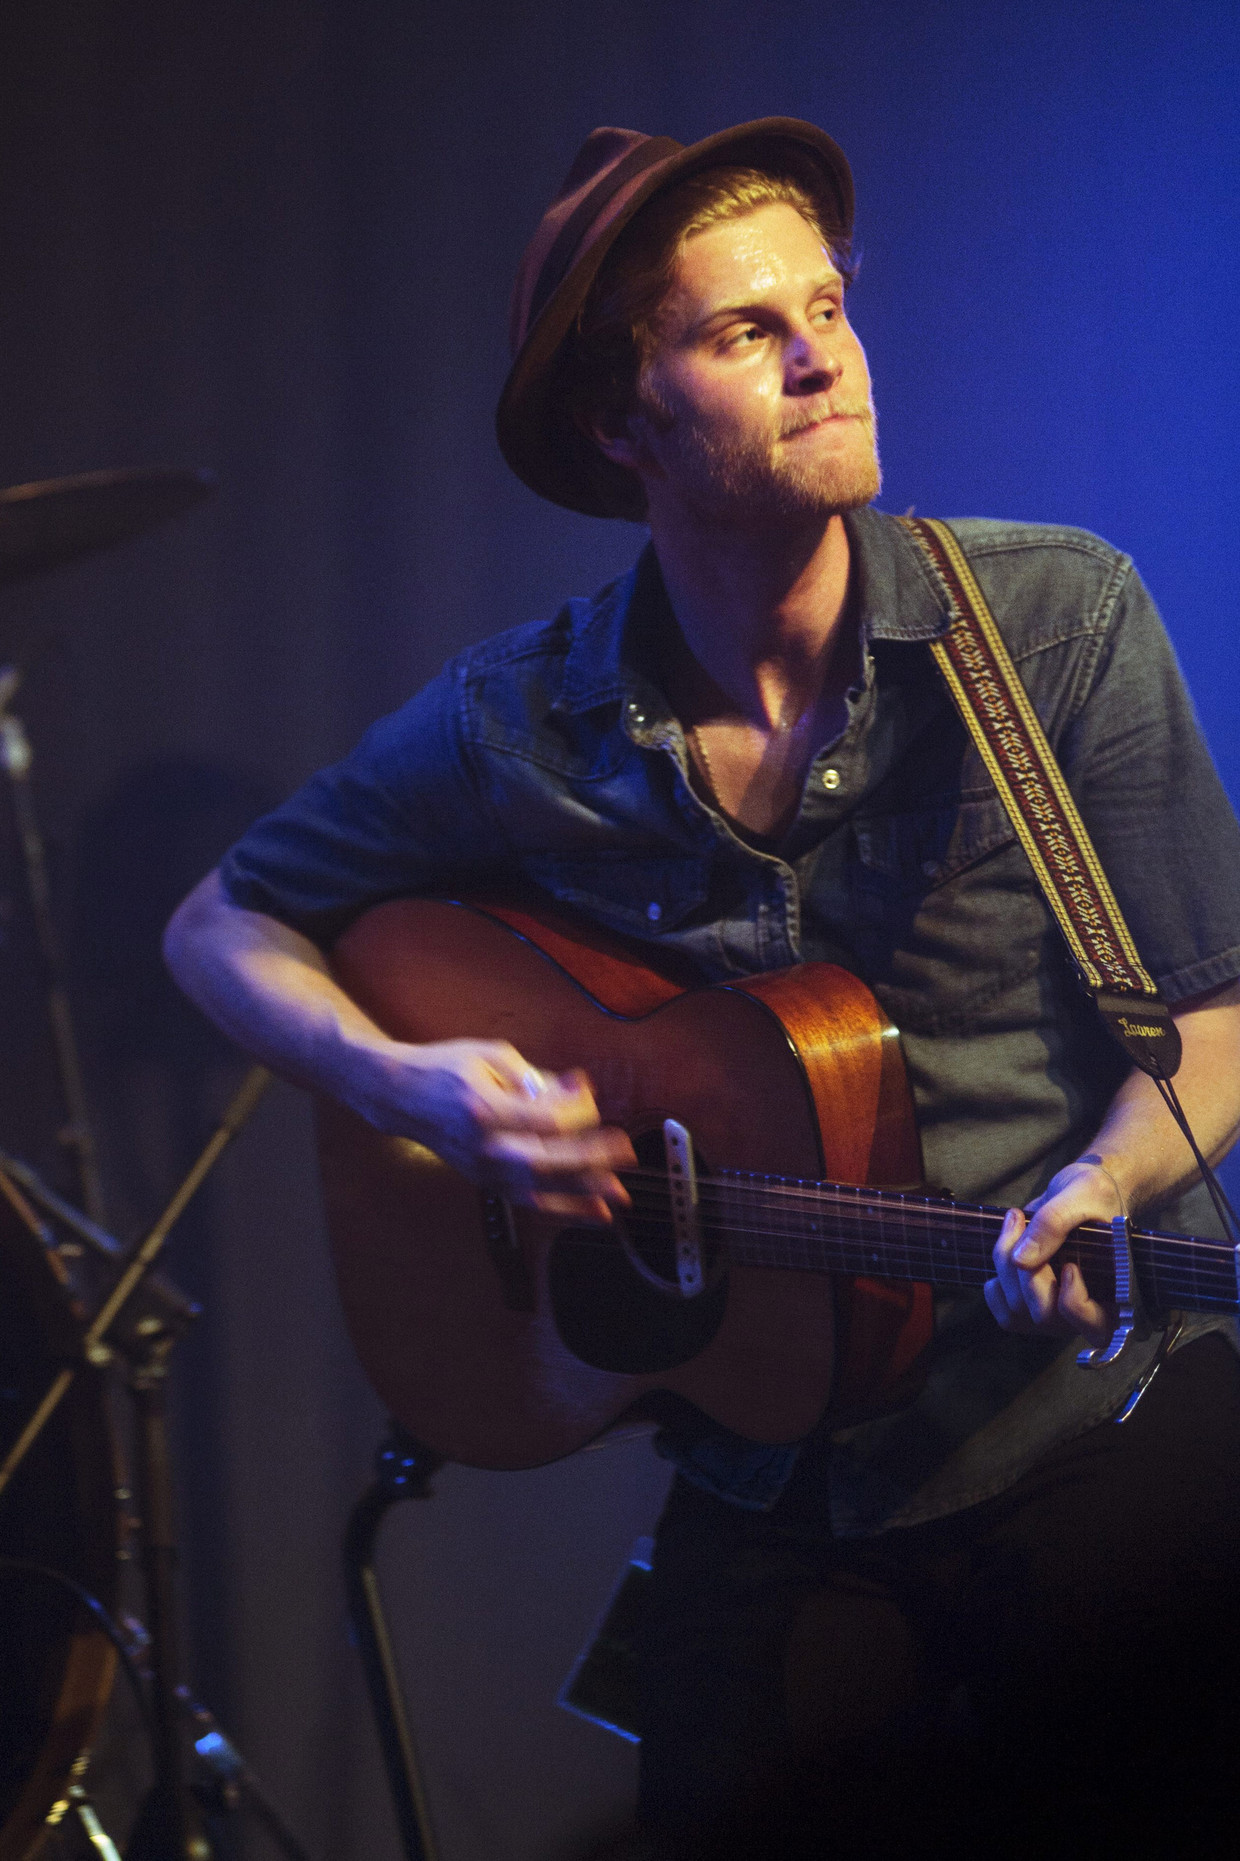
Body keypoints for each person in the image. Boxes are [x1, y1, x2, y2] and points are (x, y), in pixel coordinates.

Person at [164, 119, 1240, 1852]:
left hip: (1084, 1418)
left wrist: (1110, 1180)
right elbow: (220, 927)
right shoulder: (519, 719)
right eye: (748, 331)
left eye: (828, 305)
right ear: (623, 423)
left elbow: (1217, 1008)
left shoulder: (1054, 621)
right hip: (769, 1471)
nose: (825, 354)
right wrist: (415, 1086)